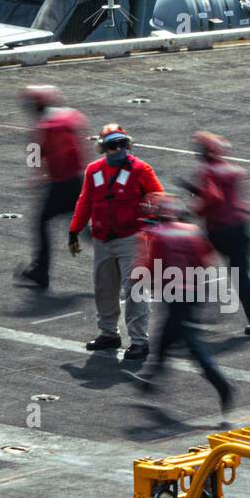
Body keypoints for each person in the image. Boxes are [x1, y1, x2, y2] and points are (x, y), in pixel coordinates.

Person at [68, 124, 164, 360]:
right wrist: (74, 231)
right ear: (103, 148)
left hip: (131, 239)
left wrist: (152, 227)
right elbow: (85, 202)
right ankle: (109, 333)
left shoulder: (141, 170)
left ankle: (140, 341)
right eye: (113, 145)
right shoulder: (93, 171)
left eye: (122, 144)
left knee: (135, 290)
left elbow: (160, 199)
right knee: (104, 289)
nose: (119, 148)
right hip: (102, 240)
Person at [131, 193, 233, 410]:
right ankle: (149, 378)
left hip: (174, 293)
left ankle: (221, 383)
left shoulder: (157, 235)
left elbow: (152, 265)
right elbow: (206, 257)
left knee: (190, 343)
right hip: (195, 290)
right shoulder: (192, 231)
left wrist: (141, 280)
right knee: (166, 336)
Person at [182, 130, 250, 338]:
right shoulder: (233, 170)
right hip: (242, 227)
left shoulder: (207, 171)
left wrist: (192, 211)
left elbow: (213, 198)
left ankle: (185, 316)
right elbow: (225, 196)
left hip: (219, 229)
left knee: (193, 267)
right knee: (241, 277)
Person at [16, 86, 87, 289]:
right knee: (85, 227)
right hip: (77, 180)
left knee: (41, 223)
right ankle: (119, 262)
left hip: (59, 184)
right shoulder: (70, 115)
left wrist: (36, 180)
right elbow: (82, 141)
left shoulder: (40, 127)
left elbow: (34, 159)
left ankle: (41, 270)